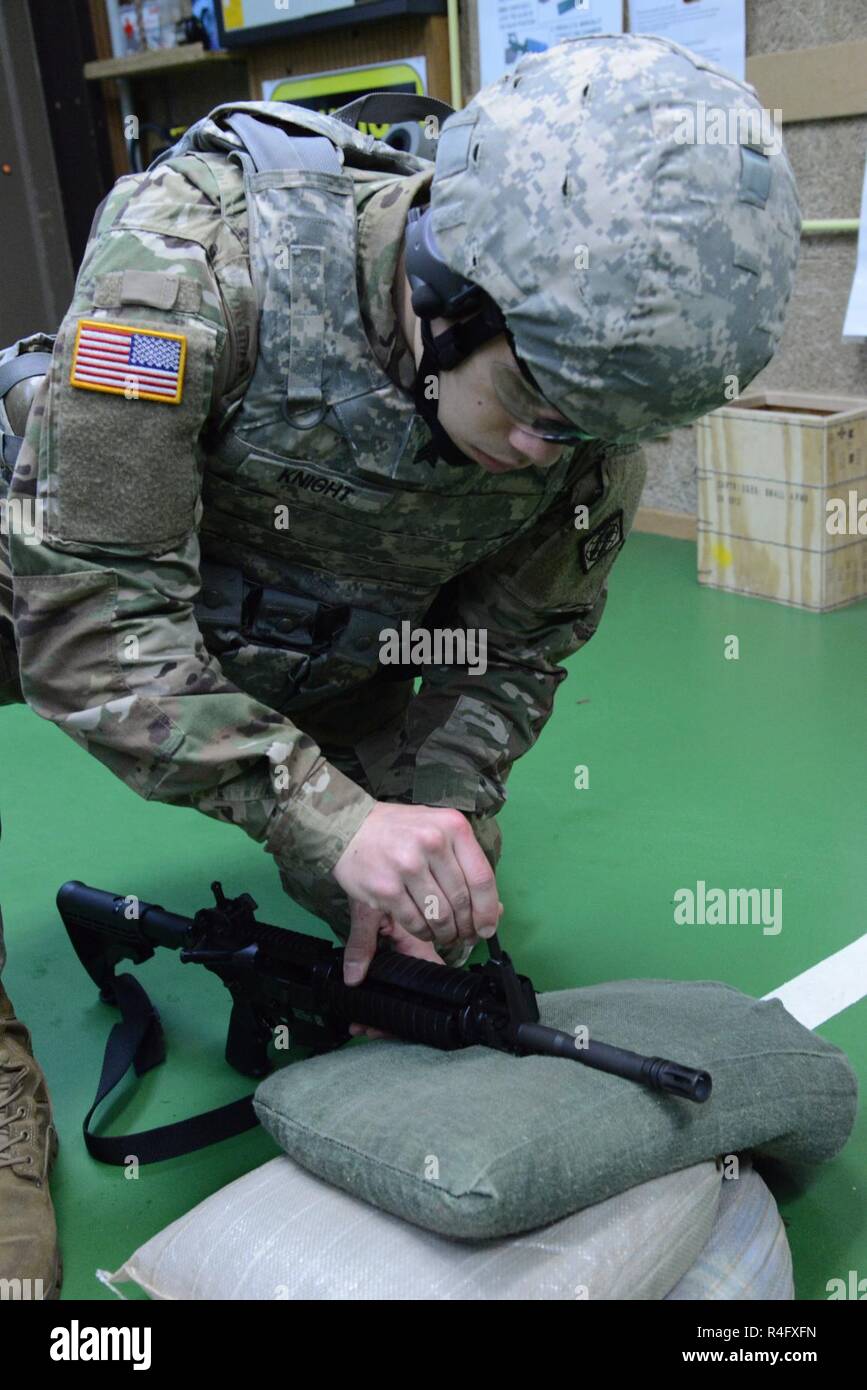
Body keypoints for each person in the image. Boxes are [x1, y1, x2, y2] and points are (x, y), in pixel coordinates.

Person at [0, 32, 801, 1294]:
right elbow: (90, 616)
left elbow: (516, 648)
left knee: (421, 938)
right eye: (537, 411)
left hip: (338, 635)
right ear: (452, 292)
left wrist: (432, 815)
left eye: (597, 435)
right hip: (91, 578)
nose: (559, 457)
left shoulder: (585, 400)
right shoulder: (192, 262)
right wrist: (317, 810)